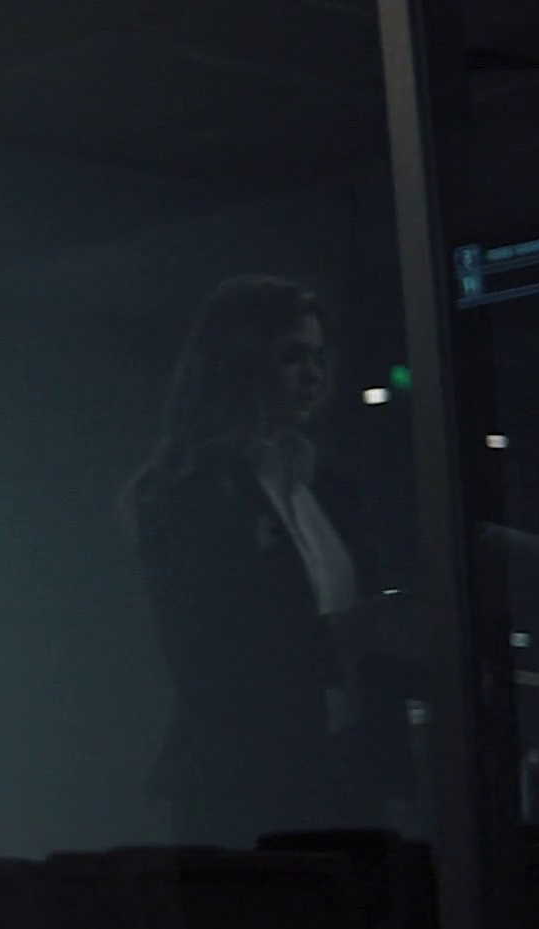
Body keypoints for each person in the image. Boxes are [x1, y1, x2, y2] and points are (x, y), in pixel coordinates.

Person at [125, 275, 416, 847]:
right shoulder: (187, 493)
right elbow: (203, 658)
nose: (313, 374)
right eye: (292, 356)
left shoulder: (332, 490)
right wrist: (339, 637)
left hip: (345, 775)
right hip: (244, 783)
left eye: (319, 357)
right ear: (240, 363)